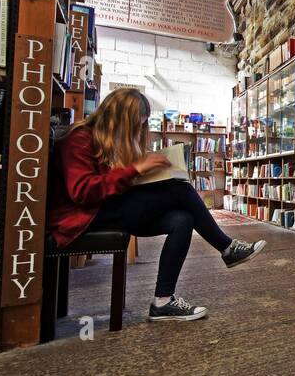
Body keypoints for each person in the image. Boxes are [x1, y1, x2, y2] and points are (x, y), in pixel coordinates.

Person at [46, 88, 265, 321]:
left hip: (107, 209)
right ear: (117, 118)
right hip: (84, 217)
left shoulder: (106, 140)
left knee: (183, 219)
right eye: (133, 126)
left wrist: (143, 173)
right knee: (178, 188)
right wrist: (136, 170)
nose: (133, 133)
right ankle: (227, 248)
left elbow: (113, 182)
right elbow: (83, 192)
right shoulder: (79, 139)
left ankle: (163, 301)